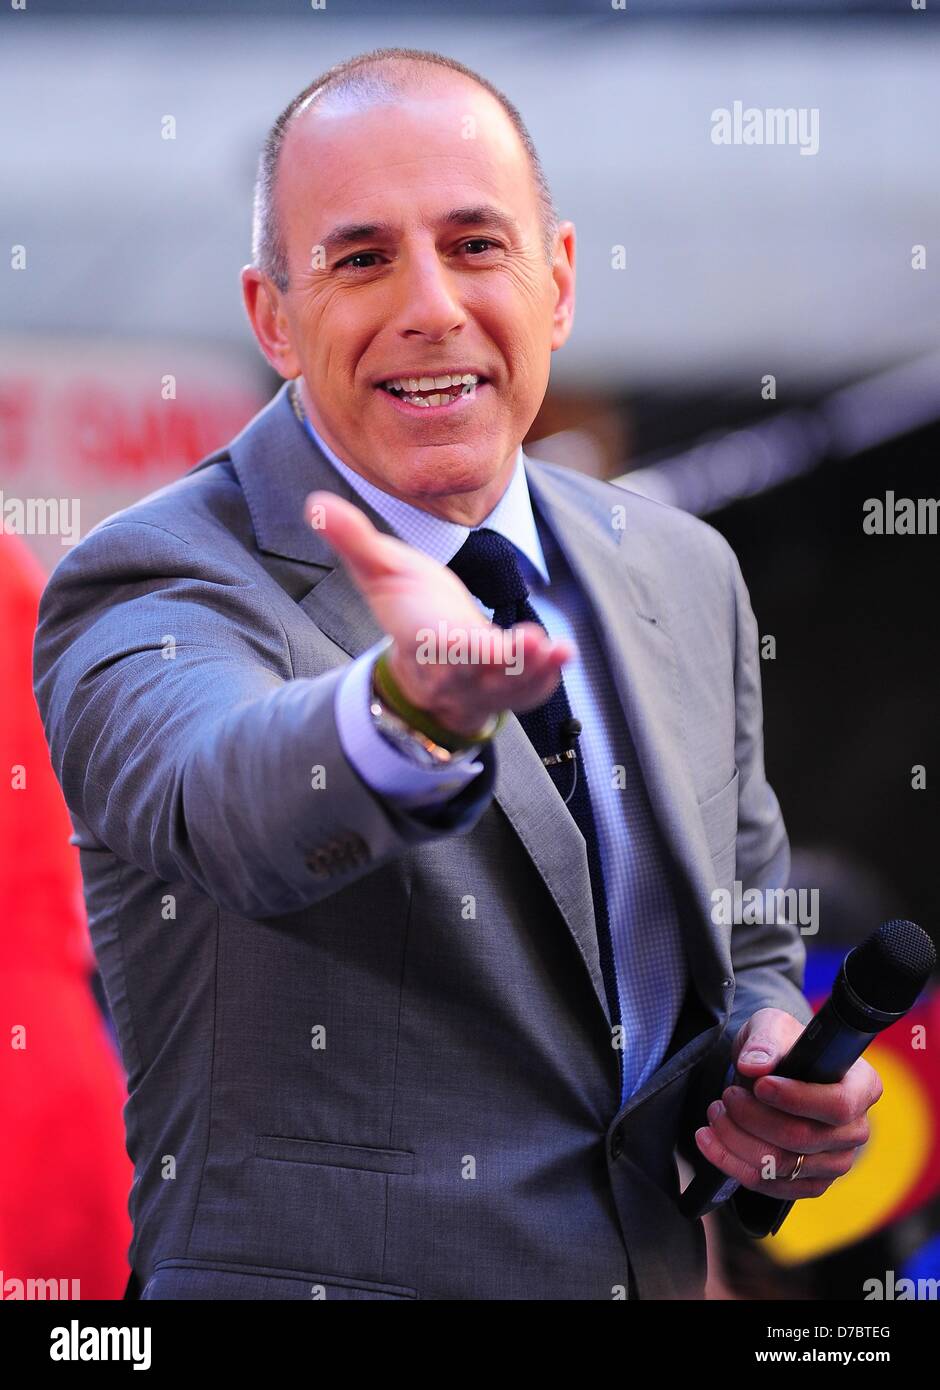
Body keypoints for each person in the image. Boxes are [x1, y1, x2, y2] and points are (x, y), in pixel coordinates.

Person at [32, 47, 881, 1301]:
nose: (430, 305)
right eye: (362, 257)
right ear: (272, 317)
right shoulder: (154, 575)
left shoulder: (683, 568)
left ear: (560, 284)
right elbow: (219, 795)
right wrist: (402, 714)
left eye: (477, 244)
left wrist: (770, 1062)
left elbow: (742, 933)